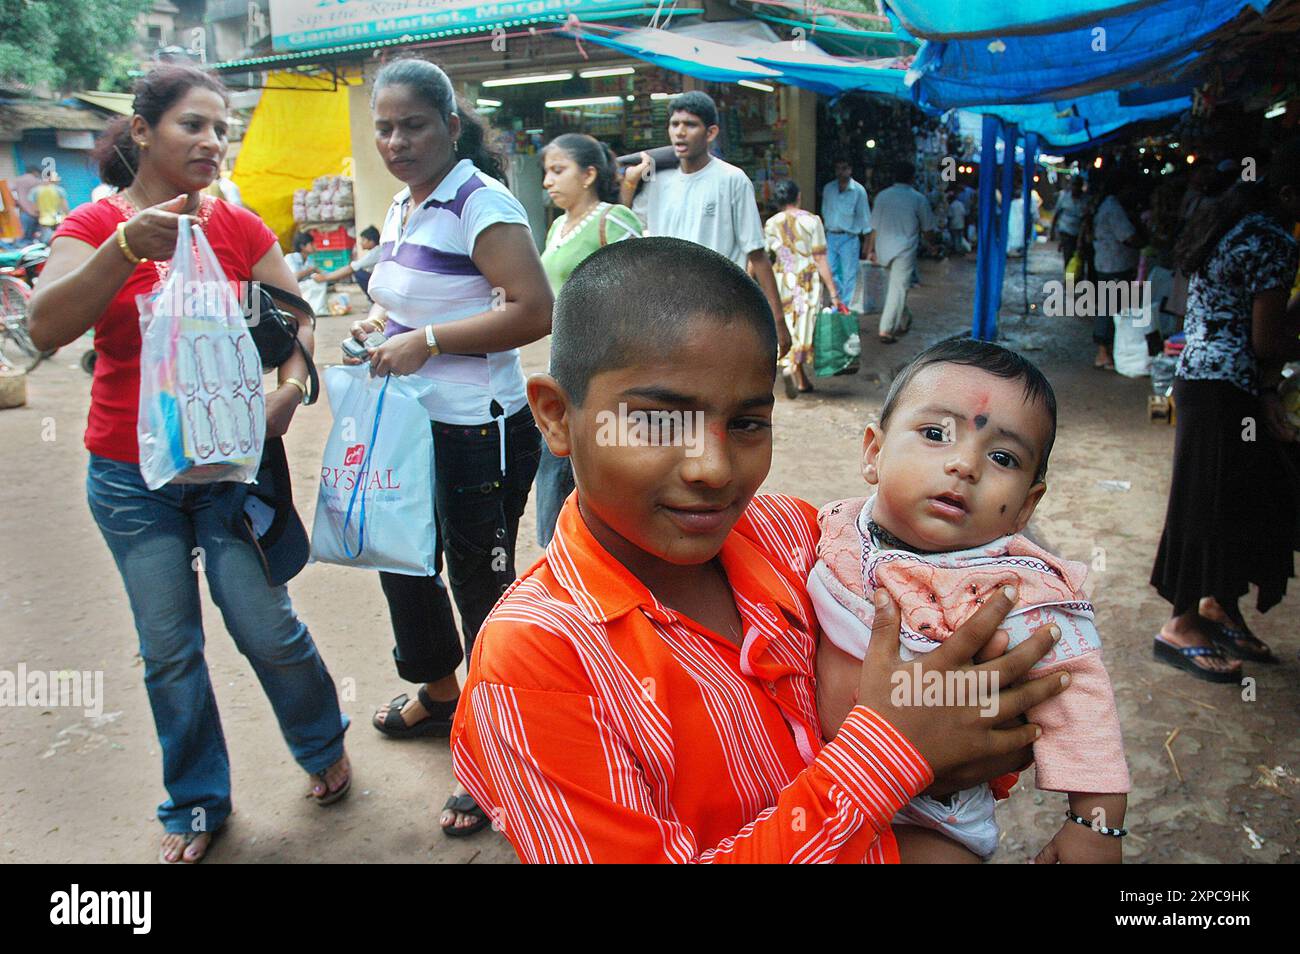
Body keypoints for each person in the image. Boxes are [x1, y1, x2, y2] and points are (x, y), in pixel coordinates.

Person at [450, 237, 1070, 863]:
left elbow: (974, 691)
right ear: (557, 417)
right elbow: (911, 742)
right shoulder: (536, 663)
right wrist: (892, 754)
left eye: (747, 424)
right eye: (663, 421)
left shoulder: (801, 537)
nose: (714, 470)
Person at [26, 64, 351, 865]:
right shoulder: (94, 225)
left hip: (229, 468)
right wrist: (124, 247)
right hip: (129, 477)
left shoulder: (237, 229)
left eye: (221, 128)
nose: (212, 141)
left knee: (265, 625)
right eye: (192, 125)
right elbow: (45, 328)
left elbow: (299, 315)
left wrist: (291, 385)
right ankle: (198, 801)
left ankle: (320, 742)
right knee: (169, 647)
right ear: (142, 131)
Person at [811, 339, 1129, 863]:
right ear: (874, 452)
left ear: (1026, 504)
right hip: (809, 779)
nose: (964, 464)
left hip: (929, 813)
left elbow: (1081, 697)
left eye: (1002, 457)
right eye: (935, 434)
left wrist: (1094, 825)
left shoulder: (1016, 592)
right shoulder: (837, 528)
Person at [345, 58, 551, 837]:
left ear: (451, 125)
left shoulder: (478, 200)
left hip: (479, 429)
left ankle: (494, 750)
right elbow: (408, 301)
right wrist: (385, 329)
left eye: (413, 125)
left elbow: (536, 311)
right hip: (408, 423)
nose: (396, 141)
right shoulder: (404, 205)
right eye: (385, 128)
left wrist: (427, 340)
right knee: (401, 559)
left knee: (481, 585)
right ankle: (439, 693)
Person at [1150, 139, 1300, 681]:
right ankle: (1180, 623)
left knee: (1230, 498)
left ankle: (1218, 603)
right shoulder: (1275, 242)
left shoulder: (1229, 227)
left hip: (1202, 380)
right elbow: (1264, 341)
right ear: (1287, 193)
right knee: (1209, 501)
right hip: (1226, 389)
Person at [620, 91, 788, 357]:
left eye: (690, 125)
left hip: (719, 309)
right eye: (675, 125)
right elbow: (625, 223)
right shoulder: (657, 181)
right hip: (668, 310)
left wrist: (778, 320)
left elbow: (756, 253)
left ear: (710, 133)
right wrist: (630, 182)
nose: (680, 132)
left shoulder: (732, 179)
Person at [535, 133, 642, 548]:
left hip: (608, 371)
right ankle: (557, 559)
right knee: (555, 467)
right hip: (563, 368)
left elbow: (645, 285)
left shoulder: (612, 220)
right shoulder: (558, 227)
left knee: (600, 474)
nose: (548, 181)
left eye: (558, 170)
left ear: (589, 174)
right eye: (547, 171)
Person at [764, 178, 841, 397]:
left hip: (783, 282)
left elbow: (765, 257)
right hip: (807, 282)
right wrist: (834, 293)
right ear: (799, 197)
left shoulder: (771, 223)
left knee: (788, 325)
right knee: (805, 325)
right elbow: (820, 257)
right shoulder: (812, 221)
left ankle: (799, 378)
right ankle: (793, 368)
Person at [870, 161, 936, 344]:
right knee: (898, 289)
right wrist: (933, 245)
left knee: (894, 289)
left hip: (883, 248)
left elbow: (873, 227)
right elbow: (928, 228)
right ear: (912, 177)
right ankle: (886, 329)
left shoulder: (882, 196)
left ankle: (903, 319)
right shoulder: (918, 199)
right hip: (904, 249)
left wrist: (869, 250)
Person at [1088, 175, 1143, 370]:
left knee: (1109, 307)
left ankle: (1106, 352)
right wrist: (1145, 243)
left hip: (1108, 263)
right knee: (1110, 308)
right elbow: (1128, 236)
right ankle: (1103, 353)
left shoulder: (1107, 204)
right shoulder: (1113, 208)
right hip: (1113, 264)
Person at [820, 156, 872, 308]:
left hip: (849, 238)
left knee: (849, 275)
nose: (840, 172)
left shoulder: (858, 191)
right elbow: (825, 212)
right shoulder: (828, 189)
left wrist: (868, 245)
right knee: (830, 271)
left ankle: (845, 307)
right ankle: (837, 302)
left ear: (850, 170)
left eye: (844, 168)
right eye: (838, 168)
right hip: (830, 235)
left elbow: (865, 217)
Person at [315, 225, 381, 298]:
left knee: (358, 272)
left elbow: (351, 268)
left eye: (363, 240)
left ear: (371, 241)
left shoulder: (375, 253)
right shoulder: (376, 251)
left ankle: (373, 299)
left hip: (381, 283)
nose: (360, 242)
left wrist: (325, 278)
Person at [284, 231, 328, 315]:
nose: (314, 246)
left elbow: (318, 274)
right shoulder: (290, 258)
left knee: (320, 282)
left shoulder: (309, 260)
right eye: (311, 244)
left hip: (301, 288)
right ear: (302, 246)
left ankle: (315, 309)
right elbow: (294, 277)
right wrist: (311, 270)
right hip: (290, 289)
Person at [1051, 176, 1086, 268]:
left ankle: (1078, 280)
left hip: (1080, 233)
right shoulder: (1064, 197)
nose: (1075, 188)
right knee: (1068, 258)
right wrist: (1052, 231)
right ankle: (1069, 281)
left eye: (1077, 185)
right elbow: (1056, 214)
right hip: (1067, 232)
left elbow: (1086, 219)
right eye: (1073, 185)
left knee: (1079, 259)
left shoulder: (1085, 199)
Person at [31, 173, 69, 241]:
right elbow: (64, 206)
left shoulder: (35, 191)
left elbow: (35, 209)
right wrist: (68, 215)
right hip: (59, 218)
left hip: (44, 220)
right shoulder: (59, 190)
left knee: (46, 240)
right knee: (60, 238)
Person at [946, 188, 967, 254]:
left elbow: (949, 216)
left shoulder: (951, 206)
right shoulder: (960, 204)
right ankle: (959, 249)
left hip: (954, 225)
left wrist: (948, 224)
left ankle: (956, 250)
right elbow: (964, 213)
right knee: (959, 238)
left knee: (954, 238)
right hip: (961, 224)